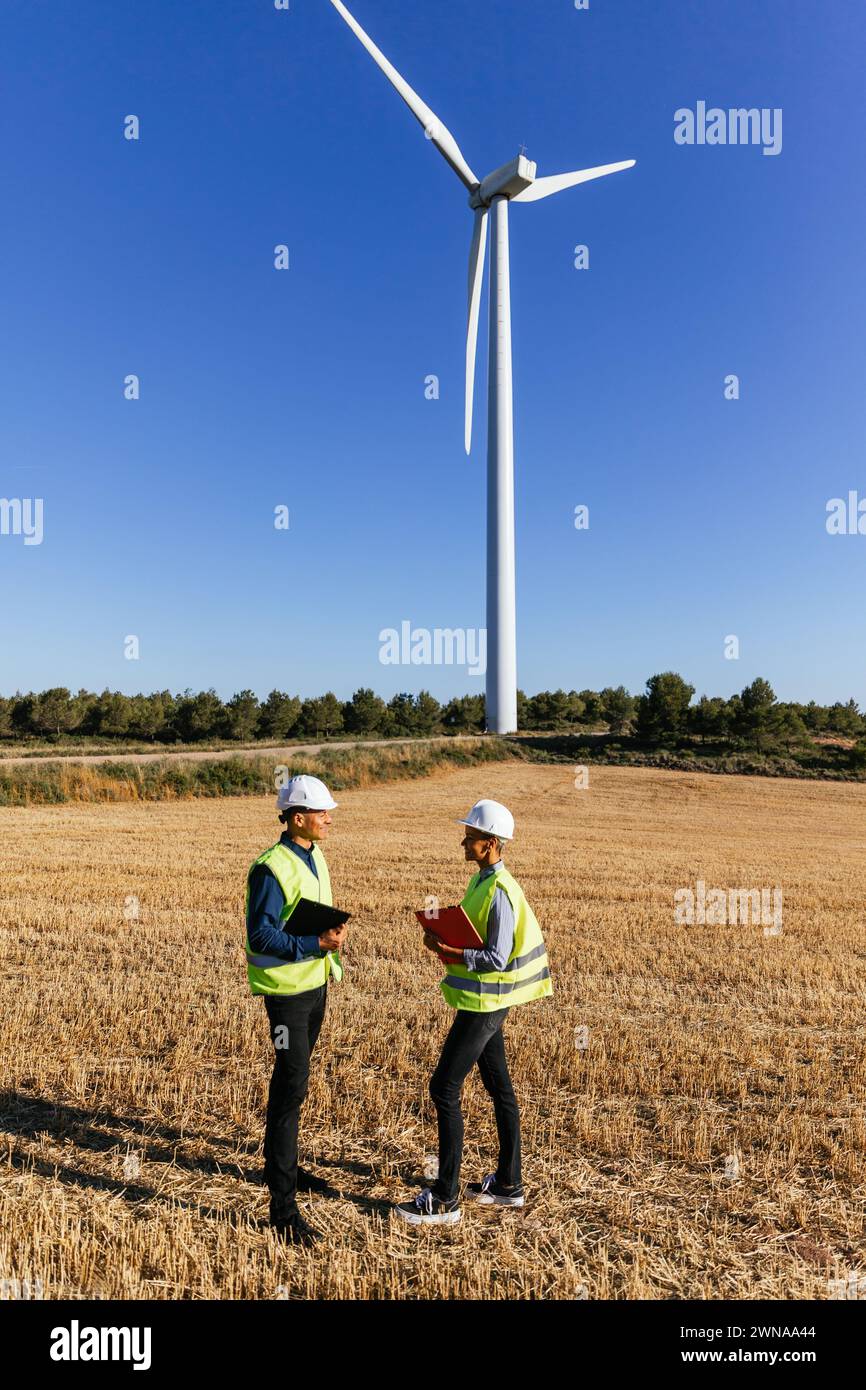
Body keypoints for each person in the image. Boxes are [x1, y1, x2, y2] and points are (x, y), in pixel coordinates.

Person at [395, 799, 553, 1226]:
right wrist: (446, 941)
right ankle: (508, 1185)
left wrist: (454, 951)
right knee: (500, 1087)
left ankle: (445, 1200)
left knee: (443, 1088)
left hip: (485, 1003)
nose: (464, 841)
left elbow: (497, 957)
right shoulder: (482, 882)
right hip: (484, 1001)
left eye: (471, 836)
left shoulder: (501, 891)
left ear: (491, 843)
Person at [245, 774, 347, 1246]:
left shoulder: (314, 854)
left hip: (315, 986)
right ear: (297, 817)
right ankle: (282, 1210)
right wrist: (314, 942)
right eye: (322, 812)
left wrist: (329, 940)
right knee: (290, 1087)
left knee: (295, 1084)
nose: (329, 818)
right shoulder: (270, 868)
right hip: (286, 997)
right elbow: (261, 937)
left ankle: (280, 1168)